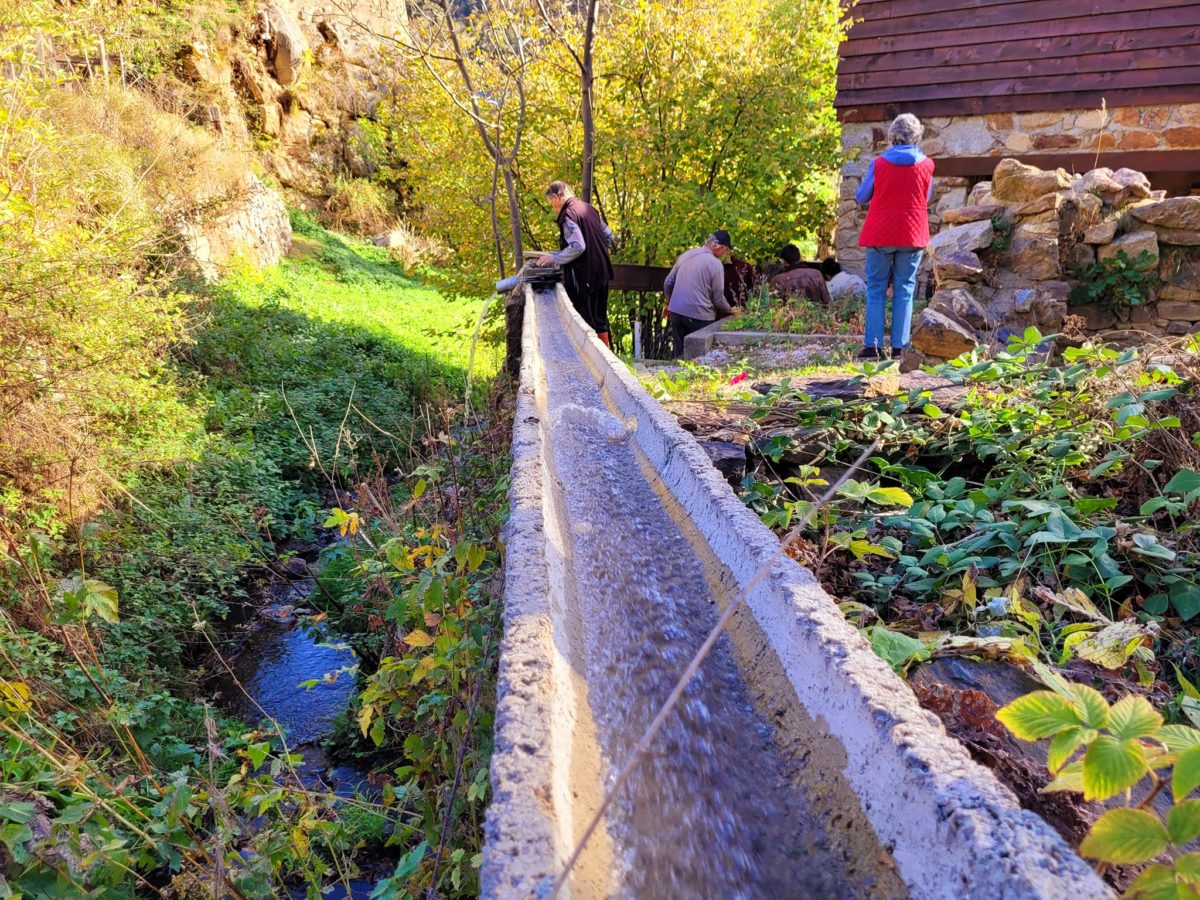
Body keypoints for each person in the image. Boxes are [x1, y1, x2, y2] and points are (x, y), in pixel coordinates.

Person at [855, 112, 934, 358]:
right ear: (917, 136)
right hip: (912, 232)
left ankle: (873, 347)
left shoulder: (879, 164)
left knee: (876, 288)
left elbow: (861, 196)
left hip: (881, 231)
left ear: (892, 136)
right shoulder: (927, 165)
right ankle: (900, 347)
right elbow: (926, 197)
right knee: (906, 288)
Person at [536, 181, 615, 347]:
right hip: (603, 272)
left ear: (559, 196)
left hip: (585, 276)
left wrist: (555, 258)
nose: (553, 207)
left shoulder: (568, 216)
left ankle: (594, 365)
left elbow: (578, 246)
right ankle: (608, 359)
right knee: (601, 320)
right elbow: (609, 236)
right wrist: (597, 252)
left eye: (552, 202)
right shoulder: (589, 209)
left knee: (587, 323)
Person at [662, 231, 734, 357]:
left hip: (676, 312)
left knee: (679, 353)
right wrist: (730, 310)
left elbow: (668, 283)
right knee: (699, 355)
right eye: (725, 250)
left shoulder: (686, 255)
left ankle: (676, 372)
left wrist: (668, 304)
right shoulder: (715, 264)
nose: (724, 254)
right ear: (720, 247)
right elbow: (718, 299)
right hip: (699, 315)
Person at [767, 245, 835, 305]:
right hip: (815, 316)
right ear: (799, 257)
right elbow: (827, 300)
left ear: (784, 261)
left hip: (790, 317)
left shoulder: (777, 280)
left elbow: (773, 304)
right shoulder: (816, 274)